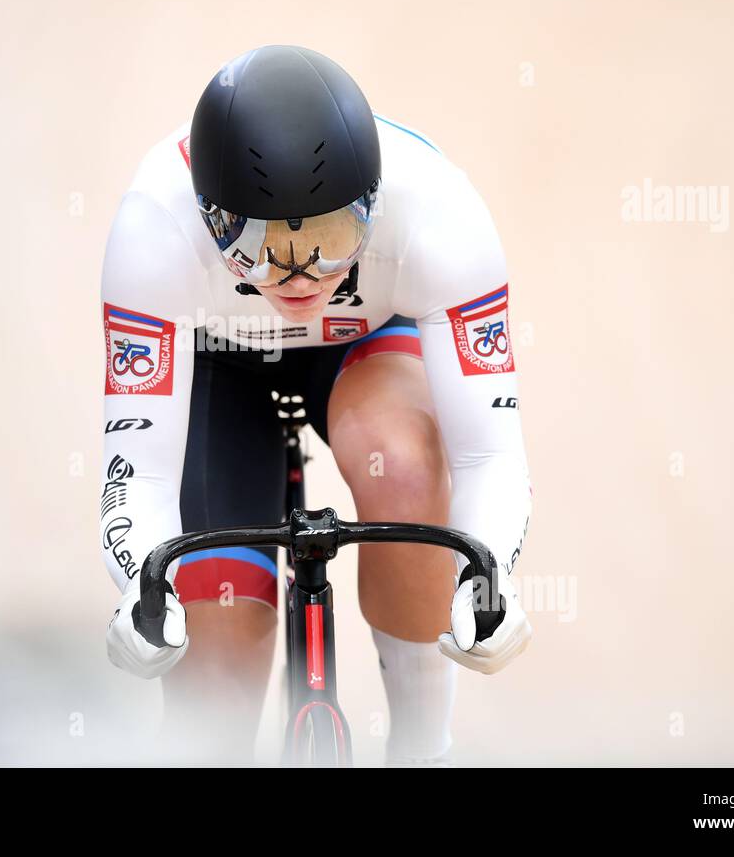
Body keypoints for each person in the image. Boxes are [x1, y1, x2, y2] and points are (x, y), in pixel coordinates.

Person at [100, 44, 532, 765]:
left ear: (376, 203)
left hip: (365, 342)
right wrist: (144, 588)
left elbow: (488, 452)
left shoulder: (441, 212)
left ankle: (425, 750)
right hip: (216, 365)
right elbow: (135, 472)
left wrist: (488, 576)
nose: (299, 276)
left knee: (399, 461)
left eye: (333, 239)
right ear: (206, 216)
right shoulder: (154, 226)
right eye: (257, 245)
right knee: (214, 685)